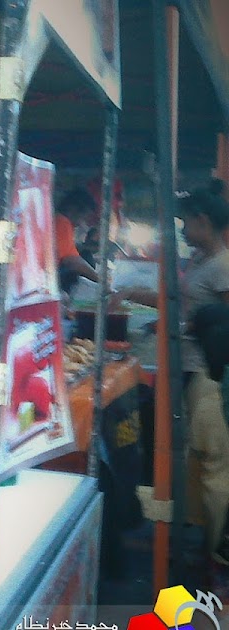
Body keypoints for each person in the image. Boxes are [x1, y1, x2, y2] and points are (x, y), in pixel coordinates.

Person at [117, 181, 229, 595]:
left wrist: (189, 331)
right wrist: (144, 303)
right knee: (187, 462)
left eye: (186, 222)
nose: (182, 230)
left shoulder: (223, 265)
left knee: (216, 469)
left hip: (208, 379)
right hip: (186, 373)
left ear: (205, 222)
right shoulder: (201, 261)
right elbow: (183, 305)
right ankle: (191, 541)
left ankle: (217, 557)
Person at [55, 187, 101, 287]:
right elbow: (71, 260)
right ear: (73, 209)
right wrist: (101, 280)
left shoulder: (61, 222)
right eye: (84, 217)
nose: (81, 223)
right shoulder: (62, 222)